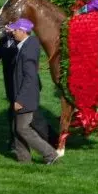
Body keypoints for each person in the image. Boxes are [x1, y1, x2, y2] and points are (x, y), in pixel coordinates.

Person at [0, 33, 58, 150]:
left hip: (25, 85)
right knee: (15, 114)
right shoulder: (6, 38)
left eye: (9, 24)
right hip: (11, 84)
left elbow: (29, 69)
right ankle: (16, 143)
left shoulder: (25, 40)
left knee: (33, 117)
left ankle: (52, 141)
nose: (6, 27)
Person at [7, 18, 59, 164]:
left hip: (25, 97)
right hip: (22, 95)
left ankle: (50, 154)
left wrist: (20, 99)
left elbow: (30, 77)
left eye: (15, 30)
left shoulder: (28, 49)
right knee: (17, 127)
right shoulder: (25, 45)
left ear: (23, 31)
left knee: (23, 128)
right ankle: (24, 160)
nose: (13, 32)